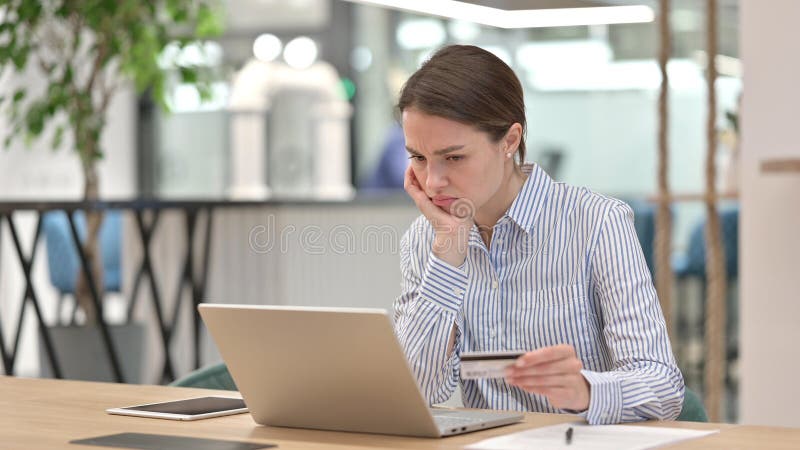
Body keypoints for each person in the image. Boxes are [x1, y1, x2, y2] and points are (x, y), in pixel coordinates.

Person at [393, 45, 684, 425]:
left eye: (454, 157)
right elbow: (416, 394)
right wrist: (447, 256)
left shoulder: (597, 223)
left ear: (509, 141)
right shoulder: (426, 240)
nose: (432, 182)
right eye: (418, 158)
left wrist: (586, 390)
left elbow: (663, 388)